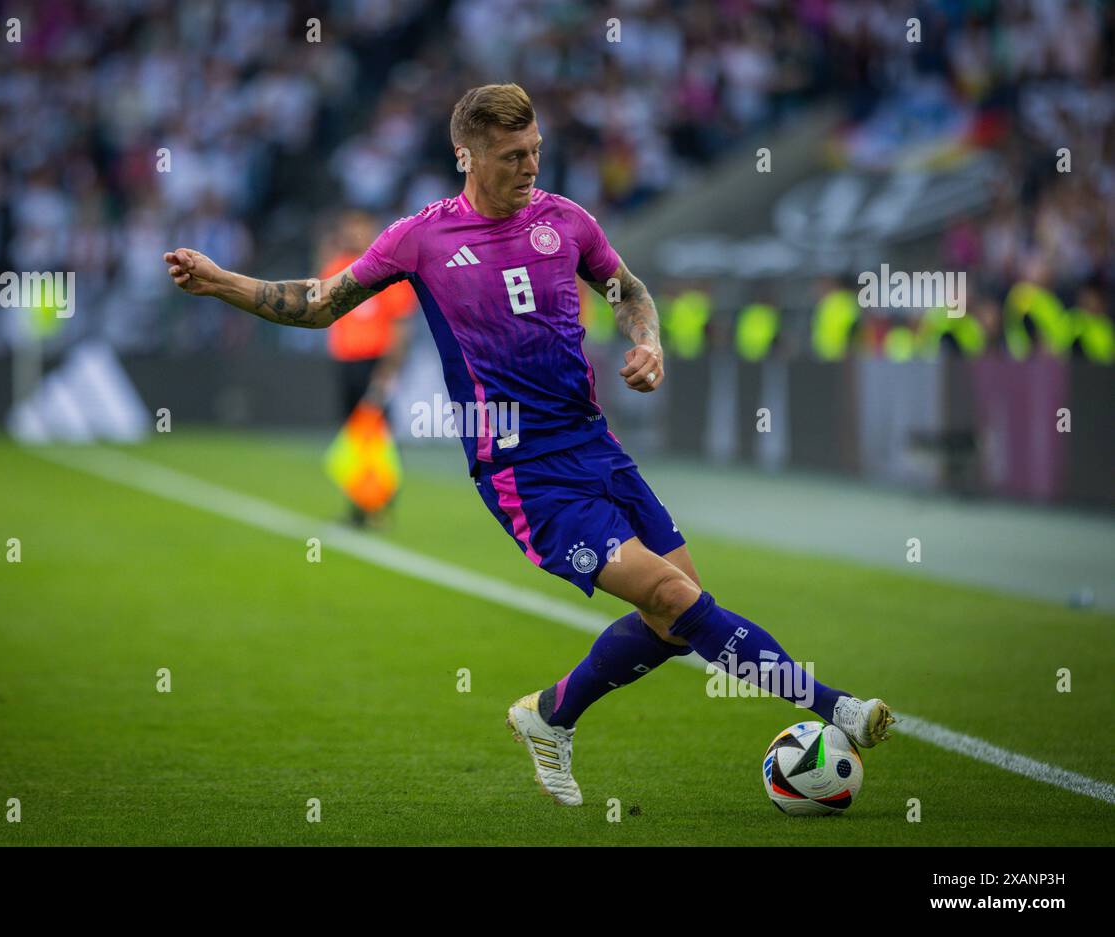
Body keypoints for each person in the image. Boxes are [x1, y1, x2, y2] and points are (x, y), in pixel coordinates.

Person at [163, 83, 893, 807]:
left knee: (675, 622)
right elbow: (321, 303)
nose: (530, 165)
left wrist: (650, 343)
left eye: (536, 150)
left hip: (594, 444)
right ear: (467, 155)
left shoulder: (566, 221)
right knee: (677, 596)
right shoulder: (420, 238)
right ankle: (837, 707)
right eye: (513, 155)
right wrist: (225, 281)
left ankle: (549, 715)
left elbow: (627, 287)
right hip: (520, 467)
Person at [318, 209, 416, 527]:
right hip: (345, 362)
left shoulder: (387, 271)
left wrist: (388, 373)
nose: (354, 233)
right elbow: (316, 300)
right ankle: (359, 506)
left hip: (374, 363)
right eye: (350, 227)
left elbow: (401, 326)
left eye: (361, 227)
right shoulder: (336, 266)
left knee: (379, 436)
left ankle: (383, 505)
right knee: (354, 437)